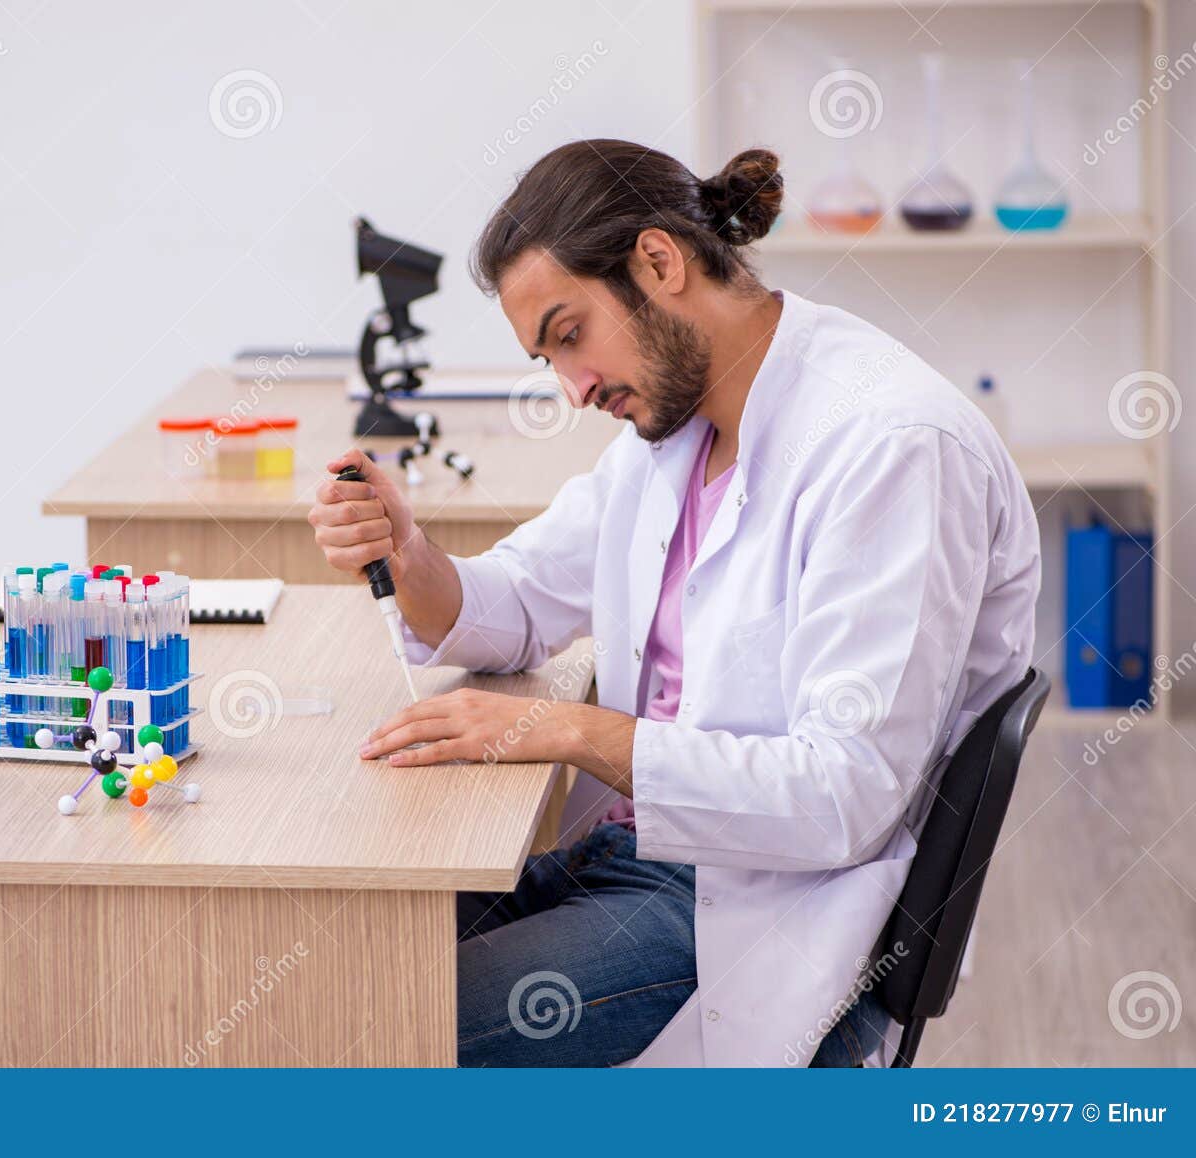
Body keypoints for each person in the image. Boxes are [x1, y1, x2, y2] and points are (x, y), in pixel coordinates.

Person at [307, 139, 1040, 1067]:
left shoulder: (890, 447)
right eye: (548, 358)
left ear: (659, 263)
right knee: (323, 959)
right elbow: (522, 597)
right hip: (641, 867)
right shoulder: (678, 428)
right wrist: (405, 550)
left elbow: (843, 796)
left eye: (570, 335)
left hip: (764, 919)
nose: (572, 390)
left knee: (366, 1022)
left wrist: (572, 732)